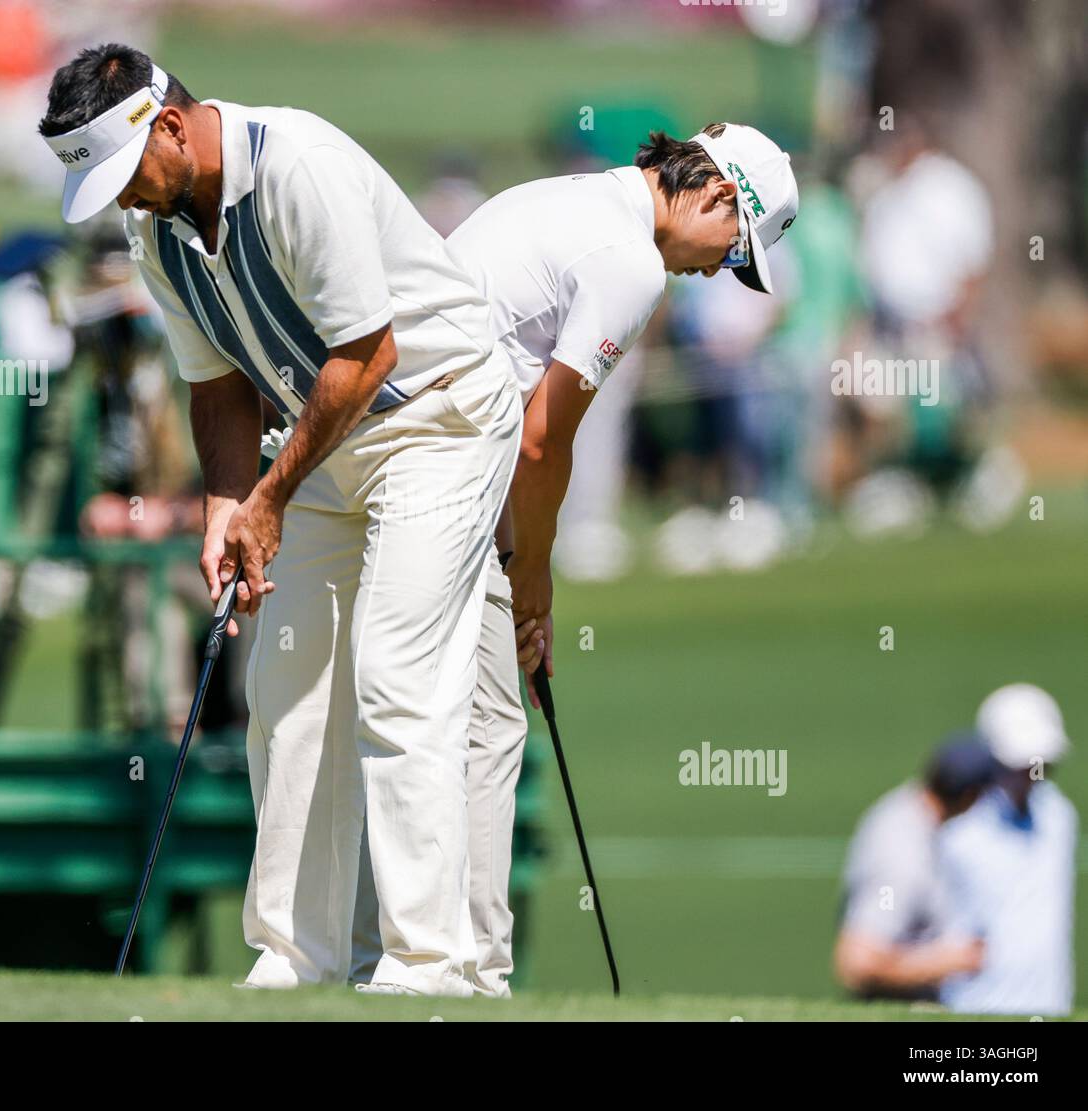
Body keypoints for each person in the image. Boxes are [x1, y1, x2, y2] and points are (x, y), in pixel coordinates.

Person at [38, 44, 521, 996]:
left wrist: (269, 497)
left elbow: (368, 354)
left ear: (170, 125)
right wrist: (227, 509)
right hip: (326, 442)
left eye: (127, 176)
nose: (126, 201)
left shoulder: (297, 166)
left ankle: (432, 961)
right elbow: (217, 386)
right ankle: (298, 955)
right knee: (288, 691)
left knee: (395, 673)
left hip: (440, 417)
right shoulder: (158, 231)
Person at [353, 123, 799, 996]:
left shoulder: (565, 198)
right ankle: (468, 973)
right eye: (733, 251)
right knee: (486, 727)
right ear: (715, 194)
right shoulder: (628, 261)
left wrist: (521, 558)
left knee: (418, 715)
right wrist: (535, 581)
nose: (716, 272)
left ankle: (393, 956)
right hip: (442, 473)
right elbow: (542, 439)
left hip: (395, 458)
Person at [937, 684, 1077, 1015]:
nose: (1030, 775)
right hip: (973, 1008)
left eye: (1040, 765)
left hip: (1051, 1007)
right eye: (1020, 765)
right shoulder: (959, 825)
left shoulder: (1059, 817)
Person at [833, 734, 993, 1001]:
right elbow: (859, 963)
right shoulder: (904, 861)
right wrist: (948, 961)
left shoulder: (904, 809)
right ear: (970, 796)